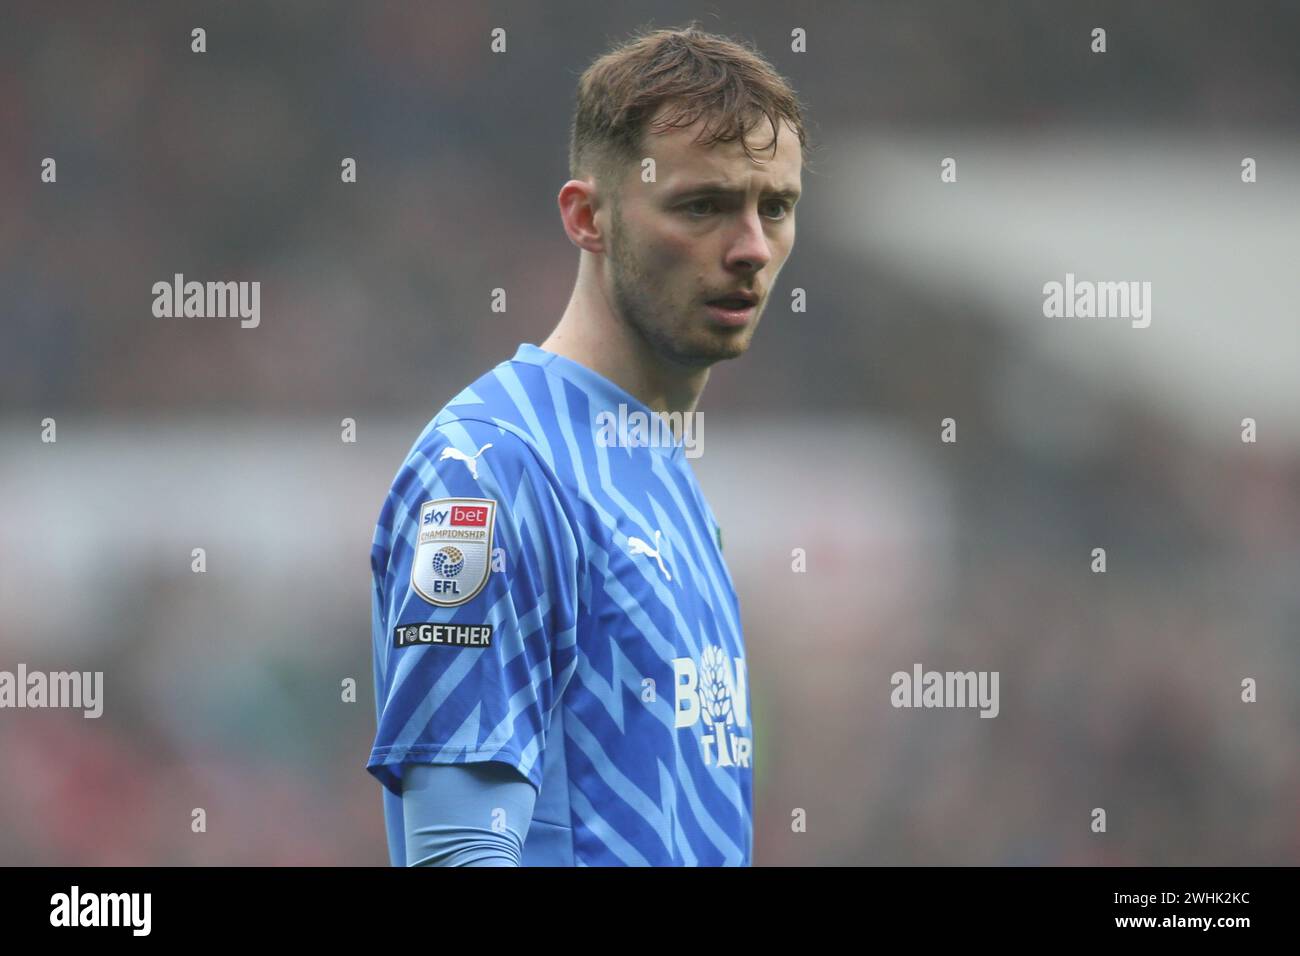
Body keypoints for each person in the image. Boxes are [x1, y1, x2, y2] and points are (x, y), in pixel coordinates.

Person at [367, 24, 809, 866]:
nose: (751, 247)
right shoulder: (493, 472)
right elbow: (459, 851)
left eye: (774, 207)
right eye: (702, 205)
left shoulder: (663, 482)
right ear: (587, 217)